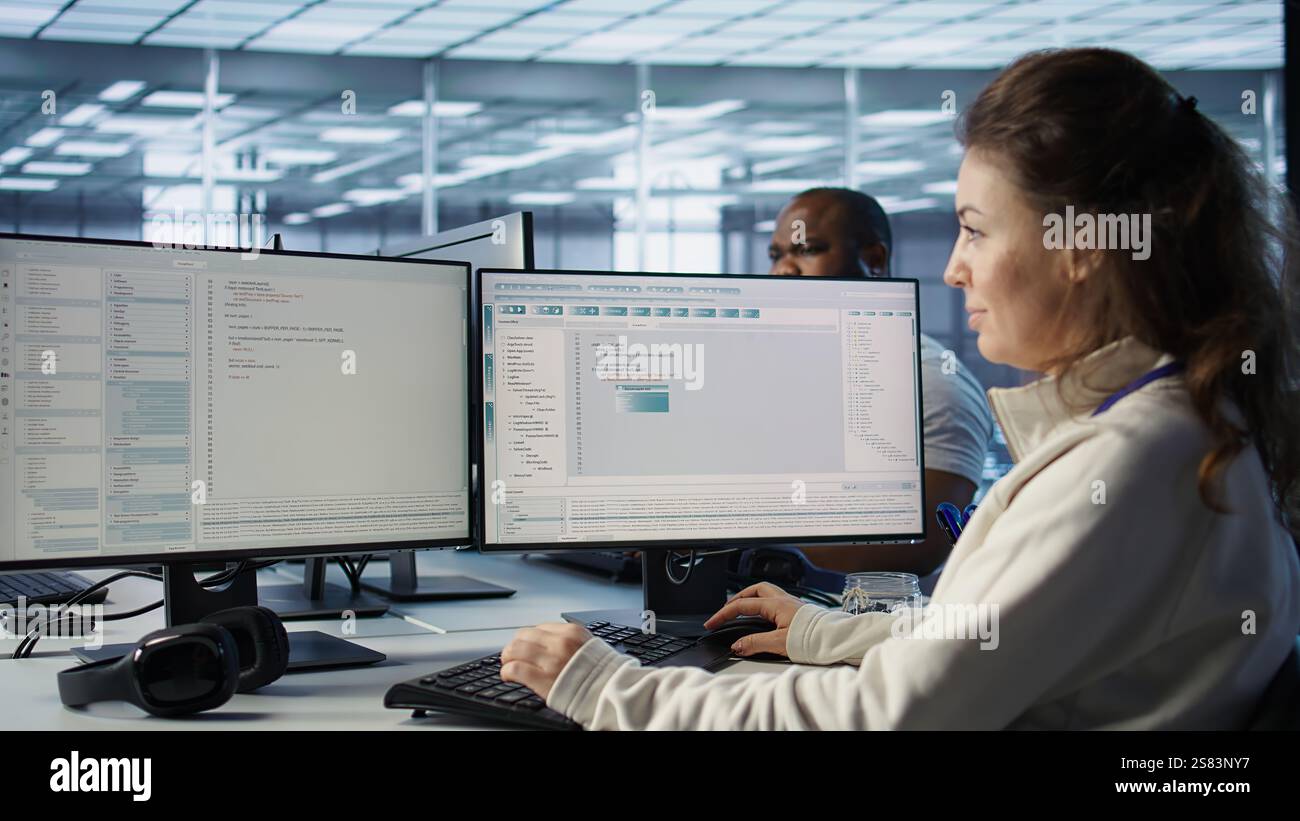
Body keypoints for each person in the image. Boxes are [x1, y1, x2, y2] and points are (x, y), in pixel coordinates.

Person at [498, 47, 1300, 730]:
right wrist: (825, 629)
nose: (954, 266)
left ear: (1081, 246)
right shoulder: (1177, 426)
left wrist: (609, 688)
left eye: (977, 229)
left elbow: (884, 718)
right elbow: (994, 637)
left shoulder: (1130, 460)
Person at [768, 187, 993, 576]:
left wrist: (738, 538)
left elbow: (917, 549)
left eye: (807, 250)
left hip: (878, 625)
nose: (784, 268)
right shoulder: (789, 374)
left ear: (873, 260)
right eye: (777, 255)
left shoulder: (934, 383)